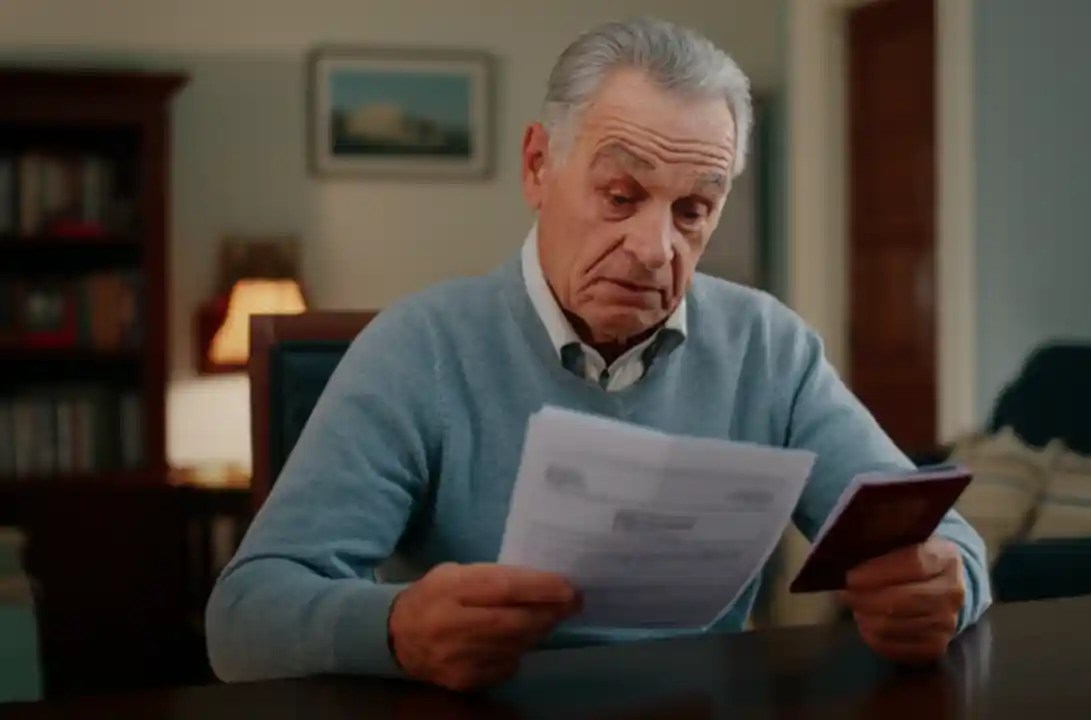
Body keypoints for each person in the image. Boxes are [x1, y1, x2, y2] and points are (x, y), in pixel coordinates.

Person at [206, 17, 991, 692]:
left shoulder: (767, 348)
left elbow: (942, 536)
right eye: (621, 197)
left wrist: (949, 582)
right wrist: (397, 628)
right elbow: (243, 619)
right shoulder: (422, 350)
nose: (654, 250)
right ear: (538, 167)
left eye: (693, 211)